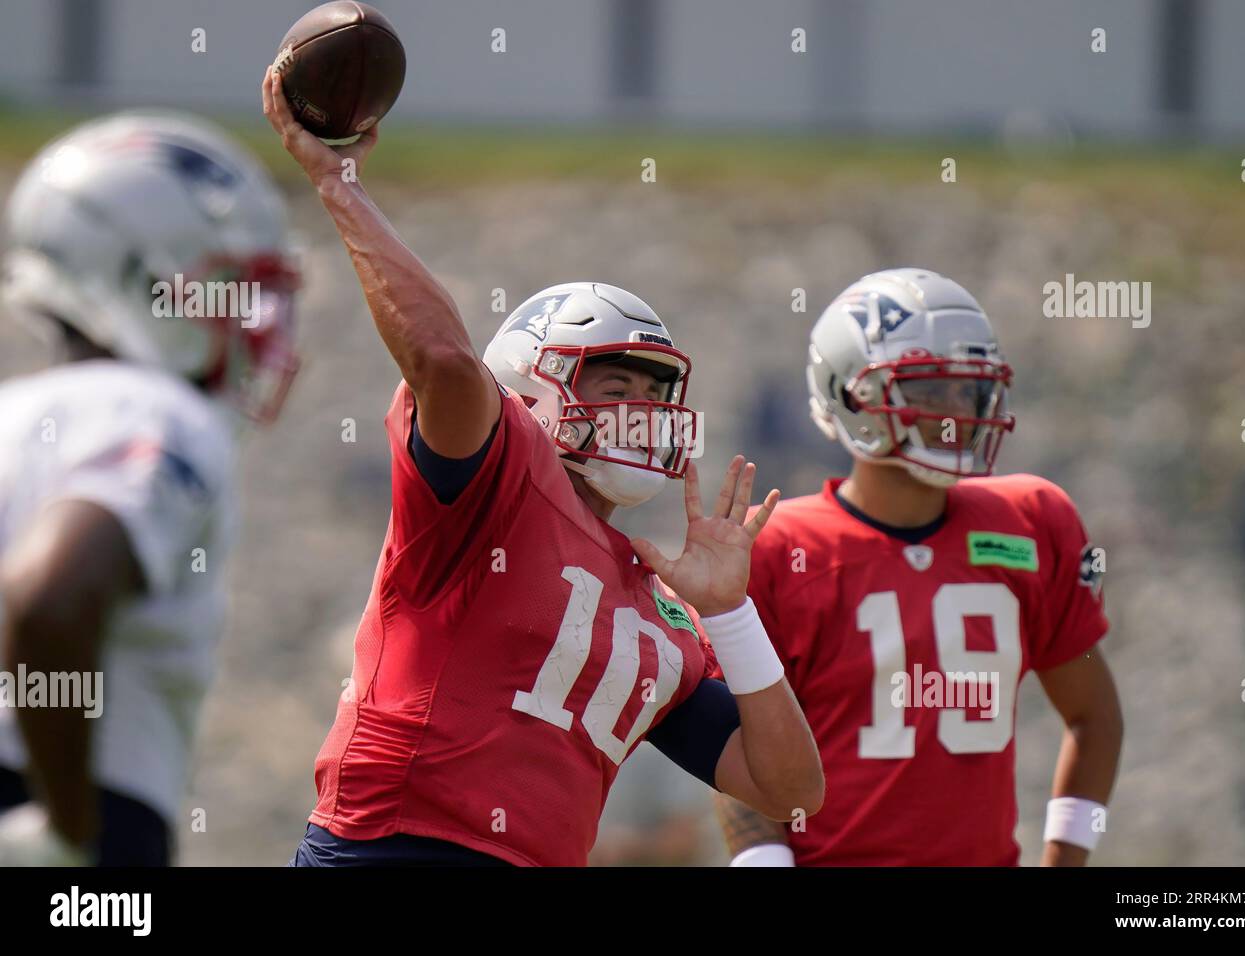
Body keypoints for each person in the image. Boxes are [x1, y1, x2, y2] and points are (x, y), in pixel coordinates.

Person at [260, 66, 823, 867]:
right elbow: (446, 363)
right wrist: (339, 182)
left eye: (653, 393)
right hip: (392, 851)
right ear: (530, 387)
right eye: (614, 384)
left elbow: (790, 791)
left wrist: (731, 617)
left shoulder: (662, 609)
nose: (640, 410)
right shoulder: (497, 479)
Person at [714, 268, 1123, 866]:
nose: (957, 410)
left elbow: (1094, 717)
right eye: (931, 388)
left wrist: (1068, 858)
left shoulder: (1032, 522)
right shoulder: (771, 546)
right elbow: (737, 746)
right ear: (852, 395)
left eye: (968, 388)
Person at [0, 111, 301, 865]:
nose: (248, 323)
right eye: (226, 288)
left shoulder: (16, 413)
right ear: (136, 277)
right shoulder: (155, 411)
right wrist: (70, 830)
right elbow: (48, 600)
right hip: (65, 809)